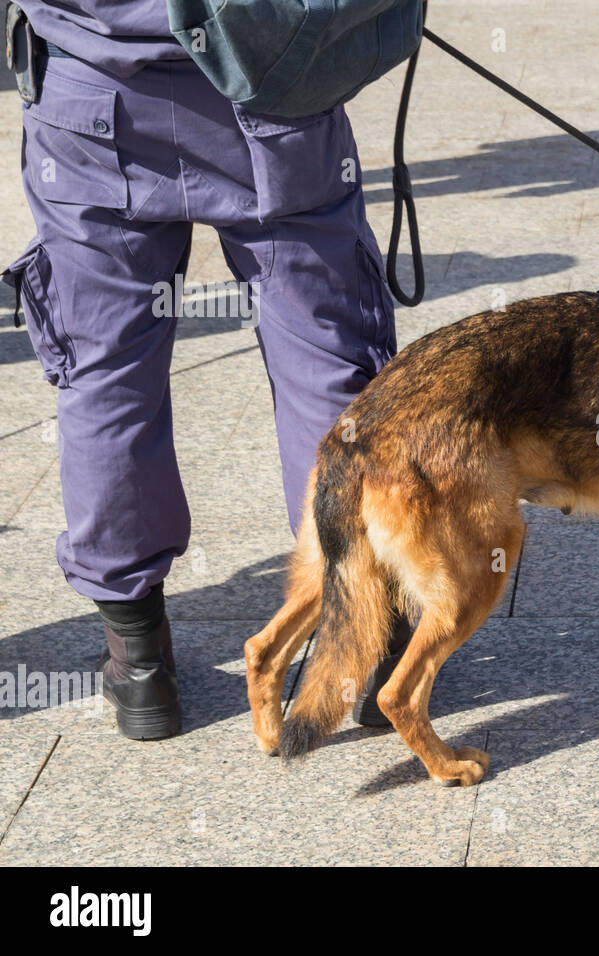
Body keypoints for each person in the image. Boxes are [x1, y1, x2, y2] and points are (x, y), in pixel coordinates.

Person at [3, 1, 411, 740]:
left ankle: (140, 661)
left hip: (89, 92)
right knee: (323, 355)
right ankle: (366, 628)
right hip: (269, 80)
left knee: (105, 374)